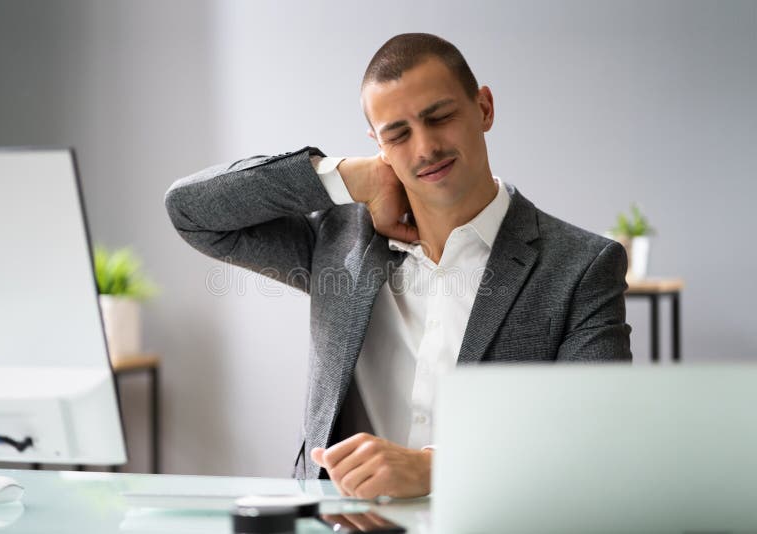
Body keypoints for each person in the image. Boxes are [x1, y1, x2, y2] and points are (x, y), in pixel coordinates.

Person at [165, 33, 632, 500]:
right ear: (378, 144)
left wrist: (437, 468)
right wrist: (344, 175)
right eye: (399, 134)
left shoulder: (580, 266)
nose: (425, 147)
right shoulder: (340, 242)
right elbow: (191, 212)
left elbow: (598, 437)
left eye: (440, 117)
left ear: (484, 108)